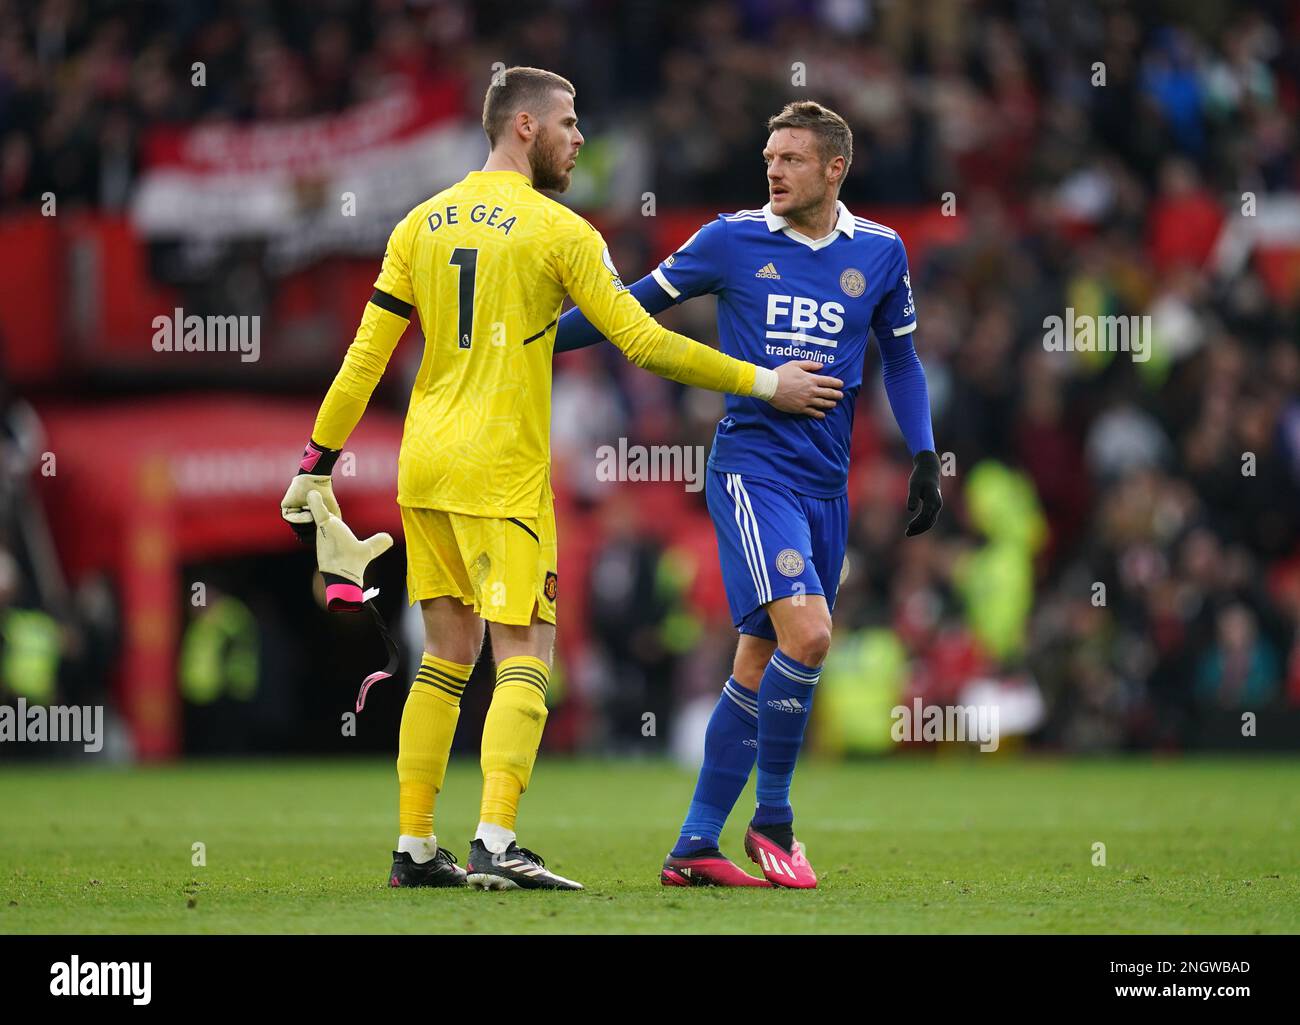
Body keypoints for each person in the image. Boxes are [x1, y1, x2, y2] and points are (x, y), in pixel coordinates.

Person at [280, 69, 843, 891]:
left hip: (424, 461)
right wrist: (764, 381)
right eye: (569, 124)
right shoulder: (560, 231)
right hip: (499, 467)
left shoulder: (419, 223)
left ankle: (413, 846)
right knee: (526, 655)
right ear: (522, 127)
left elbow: (366, 358)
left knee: (445, 654)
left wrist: (316, 462)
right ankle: (497, 838)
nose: (580, 140)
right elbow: (644, 344)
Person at [555, 100, 942, 888]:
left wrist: (927, 454)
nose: (773, 168)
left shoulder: (881, 251)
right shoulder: (731, 239)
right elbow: (626, 307)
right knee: (810, 634)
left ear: (836, 168)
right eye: (769, 155)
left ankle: (695, 845)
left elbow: (900, 361)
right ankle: (774, 821)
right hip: (751, 468)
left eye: (792, 158)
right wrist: (518, 341)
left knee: (761, 657)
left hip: (826, 486)